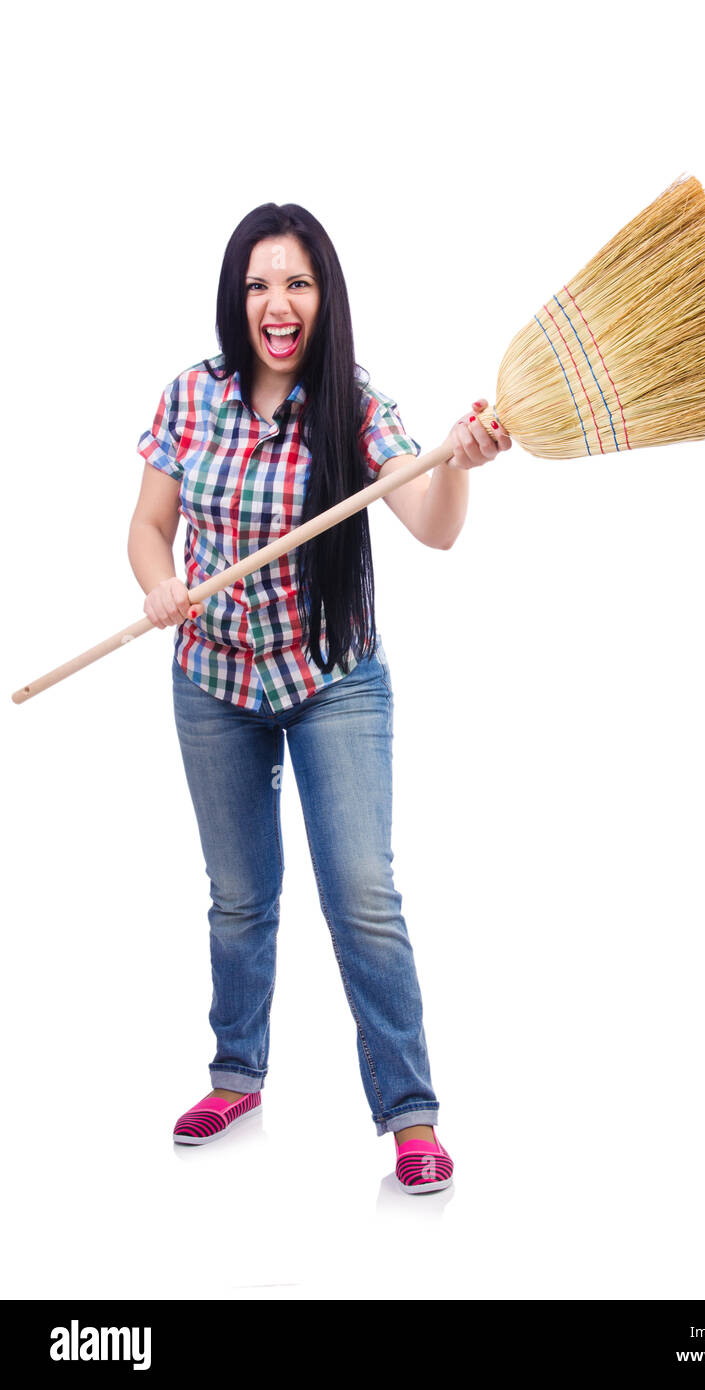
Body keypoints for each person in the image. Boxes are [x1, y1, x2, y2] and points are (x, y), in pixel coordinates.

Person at [127, 202, 511, 1194]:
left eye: (296, 282)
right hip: (212, 681)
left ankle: (411, 1114)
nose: (277, 303)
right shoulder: (192, 397)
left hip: (332, 679)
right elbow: (145, 528)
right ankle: (236, 1074)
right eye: (259, 283)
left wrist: (460, 464)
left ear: (322, 297)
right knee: (240, 897)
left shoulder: (357, 407)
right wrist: (157, 584)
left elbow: (433, 524)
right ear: (237, 299)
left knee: (363, 895)